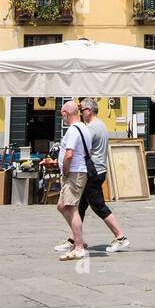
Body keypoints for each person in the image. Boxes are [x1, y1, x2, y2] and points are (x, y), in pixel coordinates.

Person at [57, 99, 129, 254]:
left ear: (89, 110)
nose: (80, 113)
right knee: (79, 207)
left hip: (91, 171)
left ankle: (120, 236)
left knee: (97, 205)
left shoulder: (90, 128)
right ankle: (75, 240)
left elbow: (79, 146)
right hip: (98, 169)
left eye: (81, 110)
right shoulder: (101, 125)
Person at [53, 101, 90, 262]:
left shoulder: (74, 130)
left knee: (72, 208)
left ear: (66, 113)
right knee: (62, 206)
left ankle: (79, 247)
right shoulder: (83, 128)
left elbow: (69, 154)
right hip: (76, 172)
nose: (61, 117)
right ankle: (78, 238)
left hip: (74, 172)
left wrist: (65, 170)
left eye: (62, 113)